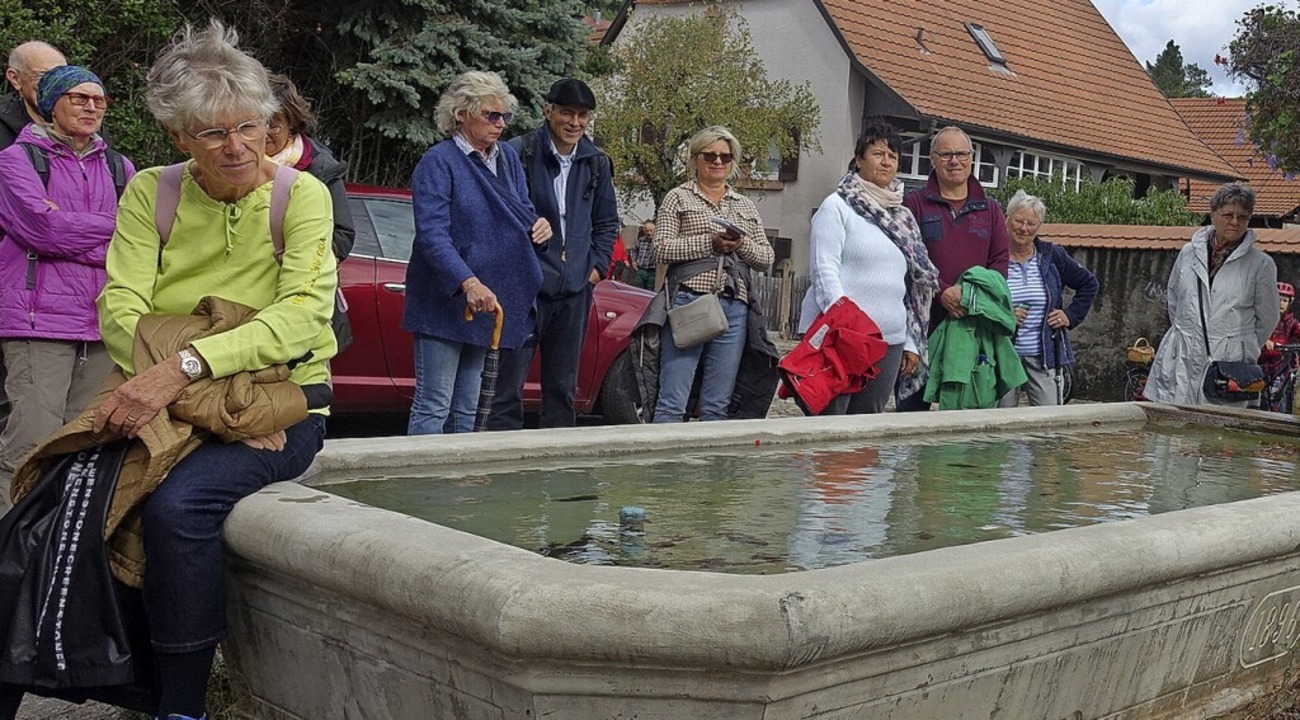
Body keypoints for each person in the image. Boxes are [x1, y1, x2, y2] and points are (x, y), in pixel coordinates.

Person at [81, 22, 336, 720]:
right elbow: (120, 311)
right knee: (72, 497)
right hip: (184, 403)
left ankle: (182, 705)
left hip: (285, 406)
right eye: (213, 133)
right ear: (179, 138)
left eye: (249, 127)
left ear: (270, 124)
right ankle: (110, 677)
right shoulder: (151, 194)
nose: (236, 147)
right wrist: (204, 399)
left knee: (179, 509)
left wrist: (186, 366)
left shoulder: (300, 197)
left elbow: (303, 319)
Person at [0, 66, 131, 515]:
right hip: (38, 321)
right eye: (79, 97)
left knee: (84, 441)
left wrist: (71, 232)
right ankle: (12, 549)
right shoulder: (16, 161)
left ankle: (59, 550)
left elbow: (137, 241)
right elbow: (43, 230)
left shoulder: (119, 167)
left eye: (99, 99)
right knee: (30, 443)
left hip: (102, 324)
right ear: (52, 103)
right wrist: (105, 233)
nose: (91, 106)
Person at [403, 70, 549, 434]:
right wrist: (467, 282)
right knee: (434, 404)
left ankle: (459, 490)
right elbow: (432, 235)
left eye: (505, 117)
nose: (500, 124)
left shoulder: (507, 160)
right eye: (492, 115)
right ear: (461, 113)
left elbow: (519, 212)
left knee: (469, 409)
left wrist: (539, 225)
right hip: (447, 298)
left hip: (489, 299)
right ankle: (423, 486)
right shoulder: (438, 161)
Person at [488, 78, 618, 430]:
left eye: (582, 115)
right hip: (525, 288)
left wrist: (595, 270)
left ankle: (555, 477)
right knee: (506, 390)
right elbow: (499, 216)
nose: (575, 122)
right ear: (548, 111)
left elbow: (607, 223)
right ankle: (504, 473)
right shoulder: (518, 152)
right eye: (567, 113)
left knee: (562, 390)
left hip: (574, 289)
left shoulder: (596, 162)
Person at [797, 121, 938, 414]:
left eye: (893, 156)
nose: (886, 161)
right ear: (859, 158)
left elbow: (913, 287)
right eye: (878, 154)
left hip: (889, 341)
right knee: (829, 425)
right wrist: (848, 324)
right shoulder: (836, 207)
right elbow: (825, 272)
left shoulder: (903, 218)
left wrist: (911, 341)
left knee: (866, 433)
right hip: (842, 337)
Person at [652, 125, 774, 422]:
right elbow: (661, 248)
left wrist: (740, 244)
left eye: (725, 157)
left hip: (734, 308)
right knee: (672, 401)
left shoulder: (744, 204)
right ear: (696, 159)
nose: (718, 162)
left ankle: (709, 469)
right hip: (689, 302)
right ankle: (664, 467)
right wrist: (709, 242)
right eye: (710, 156)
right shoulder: (677, 197)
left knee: (717, 406)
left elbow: (767, 257)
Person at [899, 125, 1010, 411]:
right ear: (932, 159)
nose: (954, 161)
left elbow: (999, 265)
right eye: (946, 154)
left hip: (971, 327)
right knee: (911, 413)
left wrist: (969, 299)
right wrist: (943, 292)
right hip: (922, 328)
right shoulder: (914, 204)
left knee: (968, 418)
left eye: (961, 154)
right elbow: (909, 258)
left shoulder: (991, 209)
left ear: (971, 158)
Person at [1143, 183, 1278, 406]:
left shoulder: (1260, 265)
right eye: (1228, 214)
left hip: (1227, 366)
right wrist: (1189, 331)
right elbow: (1175, 300)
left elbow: (1268, 318)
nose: (1234, 222)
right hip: (1182, 357)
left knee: (1218, 435)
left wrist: (1238, 342)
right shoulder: (1189, 253)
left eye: (1242, 217)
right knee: (1173, 427)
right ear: (1213, 214)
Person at [997, 190, 1098, 407]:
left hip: (1043, 354)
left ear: (1039, 227)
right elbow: (979, 298)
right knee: (1000, 422)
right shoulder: (994, 256)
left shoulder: (1052, 256)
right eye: (1018, 221)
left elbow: (1089, 284)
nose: (1024, 228)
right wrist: (1004, 315)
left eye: (1031, 223)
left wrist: (1070, 315)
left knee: (1048, 423)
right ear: (1007, 220)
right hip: (1002, 354)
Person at [264, 73, 355, 264]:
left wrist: (299, 252)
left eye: (273, 125)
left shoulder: (320, 167)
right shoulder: (236, 163)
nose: (263, 133)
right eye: (255, 123)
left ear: (292, 123)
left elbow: (342, 236)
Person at [0, 41, 66, 147]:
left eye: (61, 76)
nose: (53, 85)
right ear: (15, 79)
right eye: (41, 76)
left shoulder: (84, 119)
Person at [630, 221, 657, 290]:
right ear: (644, 231)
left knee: (650, 291)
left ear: (654, 231)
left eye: (651, 231)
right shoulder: (640, 240)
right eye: (647, 231)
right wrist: (633, 261)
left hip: (652, 271)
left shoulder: (657, 242)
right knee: (638, 289)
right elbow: (633, 250)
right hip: (640, 270)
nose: (649, 233)